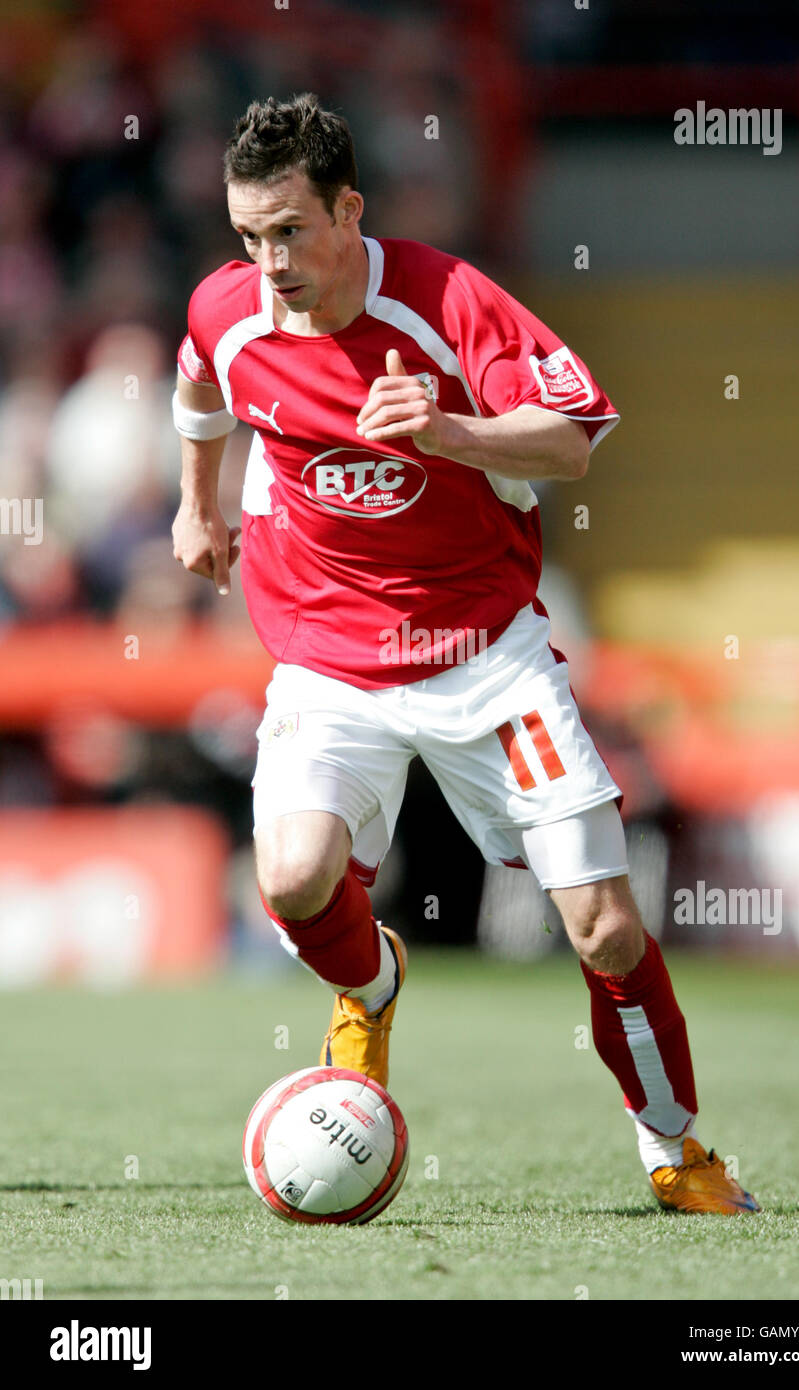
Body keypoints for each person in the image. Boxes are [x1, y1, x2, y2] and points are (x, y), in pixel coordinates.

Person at [172, 94, 758, 1215]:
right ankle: (371, 980)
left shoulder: (447, 302)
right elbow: (198, 379)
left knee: (604, 926)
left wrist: (448, 429)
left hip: (482, 655)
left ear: (350, 210)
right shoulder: (231, 309)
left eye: (290, 230)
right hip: (327, 655)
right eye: (248, 235)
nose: (268, 261)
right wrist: (197, 508)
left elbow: (574, 438)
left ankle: (674, 1150)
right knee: (292, 880)